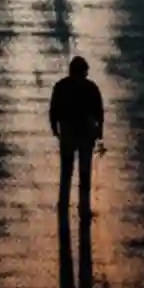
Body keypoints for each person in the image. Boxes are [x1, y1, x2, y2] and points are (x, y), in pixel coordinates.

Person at [48, 56, 103, 218]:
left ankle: (63, 204)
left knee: (66, 170)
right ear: (85, 72)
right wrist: (99, 131)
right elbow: (99, 112)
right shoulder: (91, 88)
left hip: (68, 130)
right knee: (85, 172)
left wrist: (54, 127)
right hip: (86, 131)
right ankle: (84, 207)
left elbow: (54, 109)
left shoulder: (61, 86)